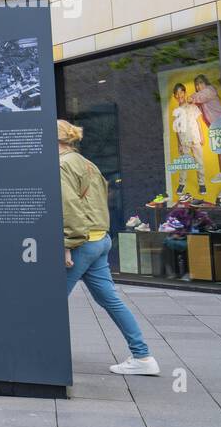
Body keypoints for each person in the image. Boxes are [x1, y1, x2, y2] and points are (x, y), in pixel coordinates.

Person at [60, 119, 159, 374]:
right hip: (99, 240)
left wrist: (66, 244)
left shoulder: (61, 165)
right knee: (110, 299)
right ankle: (143, 357)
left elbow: (68, 207)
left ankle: (37, 355)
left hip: (81, 243)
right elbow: (102, 200)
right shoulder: (88, 164)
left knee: (49, 300)